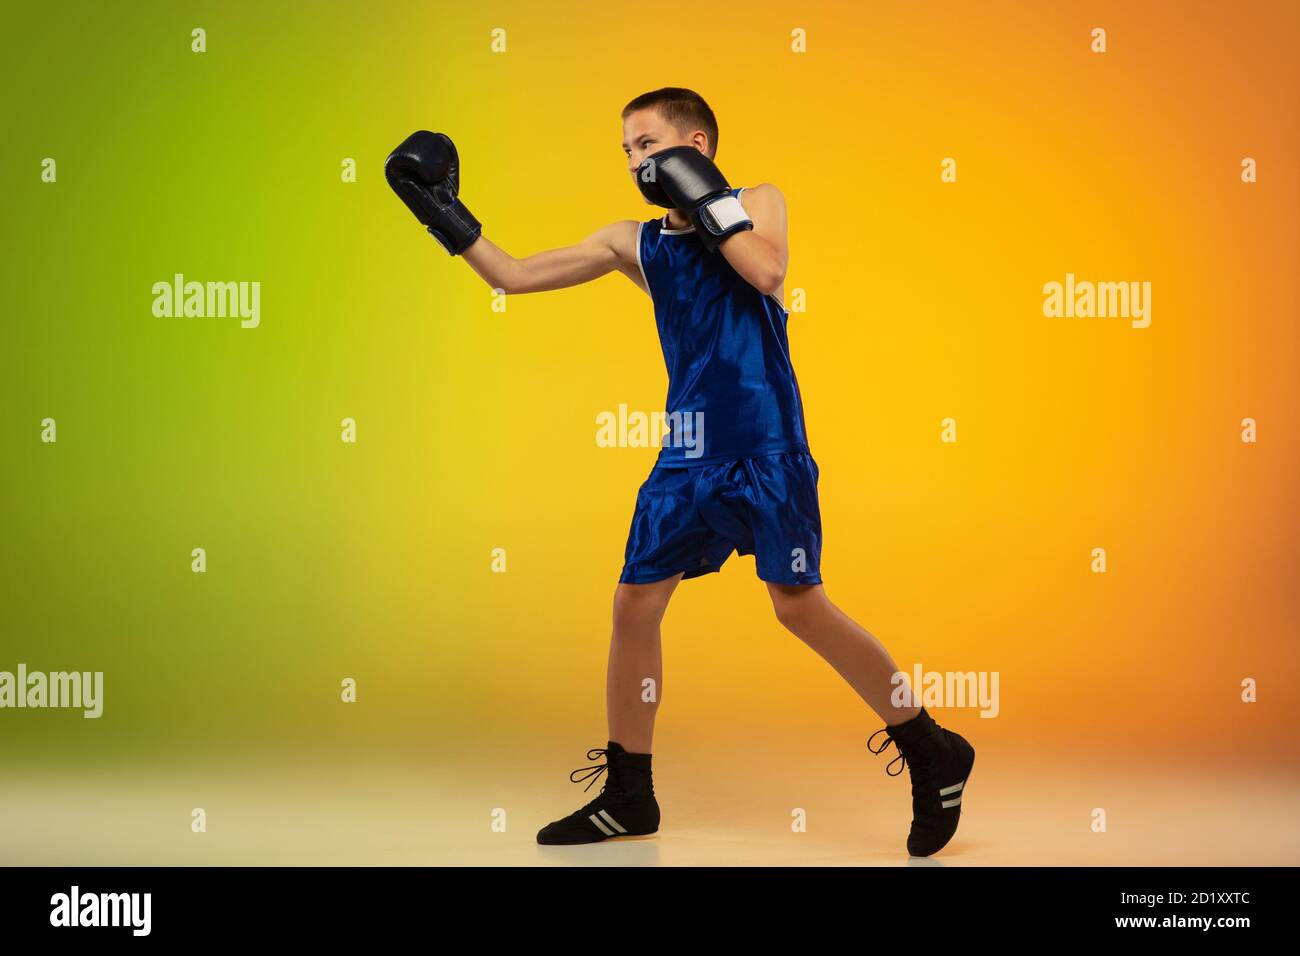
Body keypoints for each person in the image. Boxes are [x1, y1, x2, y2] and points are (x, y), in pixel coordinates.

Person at [385, 87, 975, 857]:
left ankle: (931, 746)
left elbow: (764, 272)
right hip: (687, 452)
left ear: (696, 145)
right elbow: (514, 277)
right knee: (634, 605)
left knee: (798, 608)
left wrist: (701, 197)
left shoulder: (759, 200)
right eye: (626, 149)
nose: (634, 159)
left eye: (648, 142)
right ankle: (631, 794)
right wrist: (437, 210)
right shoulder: (634, 244)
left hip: (765, 441)